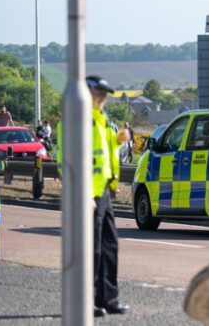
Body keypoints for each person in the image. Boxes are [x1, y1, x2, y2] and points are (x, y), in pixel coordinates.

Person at [58, 75, 129, 317]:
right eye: (100, 93)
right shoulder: (76, 119)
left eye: (105, 95)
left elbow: (103, 152)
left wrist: (118, 141)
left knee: (109, 245)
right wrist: (83, 193)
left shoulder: (100, 119)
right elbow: (66, 160)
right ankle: (84, 302)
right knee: (91, 250)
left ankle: (108, 299)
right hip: (87, 194)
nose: (103, 98)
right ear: (87, 92)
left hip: (103, 191)